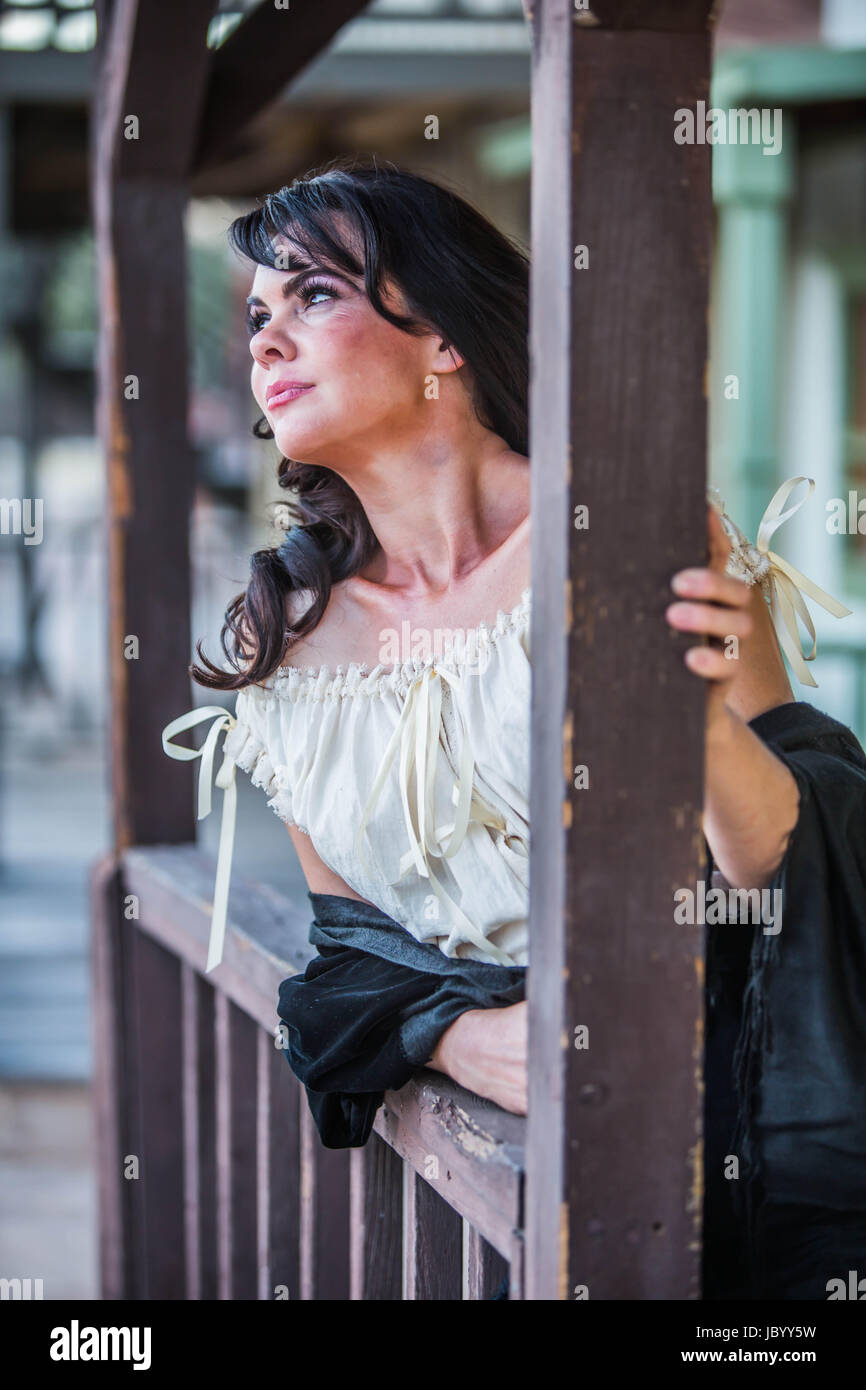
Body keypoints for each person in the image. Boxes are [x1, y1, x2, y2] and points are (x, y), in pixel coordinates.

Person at [162, 160, 866, 1299]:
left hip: (720, 1148)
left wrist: (683, 719)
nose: (266, 340)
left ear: (440, 335)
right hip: (481, 1198)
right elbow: (346, 952)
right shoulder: (282, 643)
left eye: (314, 295)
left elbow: (789, 873)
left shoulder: (631, 528)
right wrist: (448, 1039)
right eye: (256, 314)